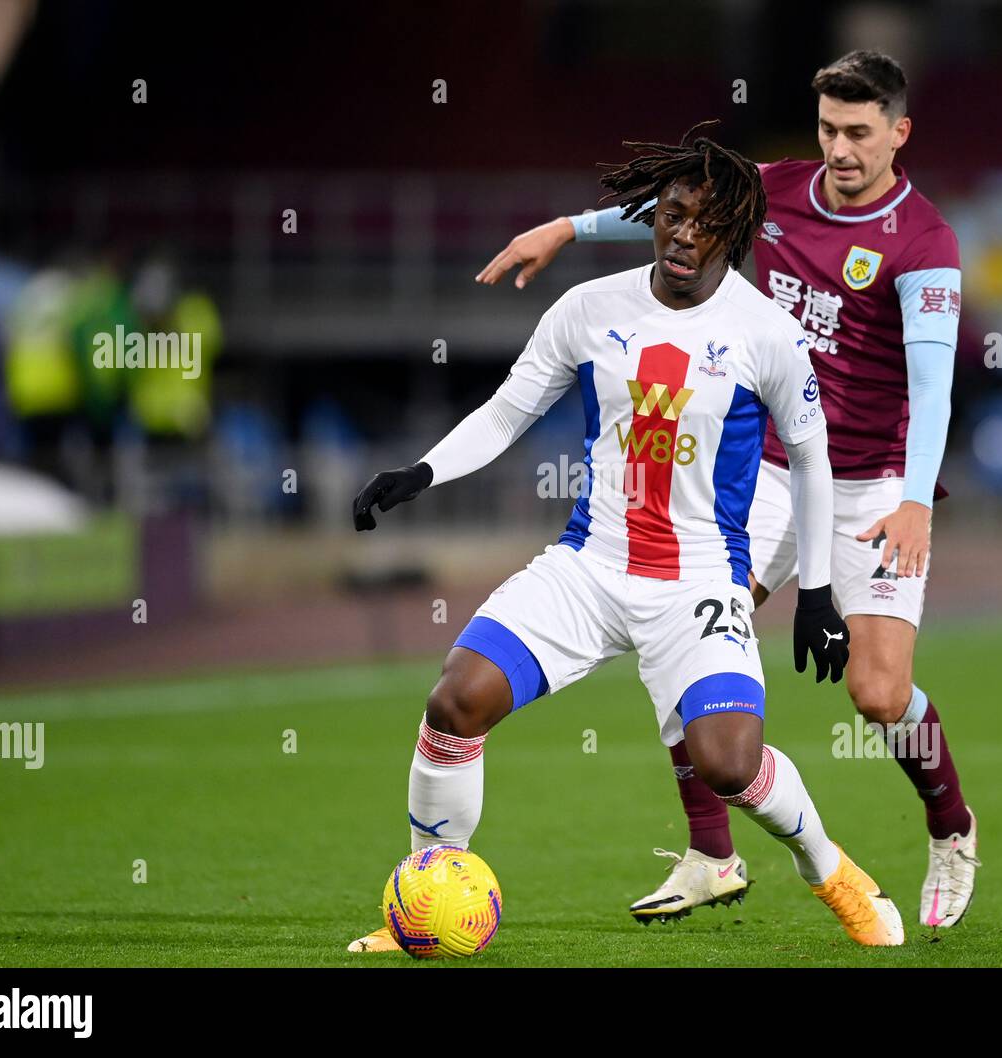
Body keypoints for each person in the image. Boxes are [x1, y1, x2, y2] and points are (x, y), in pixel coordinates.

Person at [349, 125, 905, 952]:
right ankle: (428, 895)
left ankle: (829, 868)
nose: (685, 233)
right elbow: (509, 410)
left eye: (707, 222)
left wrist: (818, 590)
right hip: (589, 564)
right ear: (653, 218)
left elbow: (815, 461)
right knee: (454, 700)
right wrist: (422, 472)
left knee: (727, 761)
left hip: (700, 581)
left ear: (737, 236)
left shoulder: (767, 333)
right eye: (673, 215)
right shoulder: (587, 309)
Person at [476, 50, 978, 929]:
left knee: (878, 695)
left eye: (860, 133)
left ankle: (950, 823)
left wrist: (915, 500)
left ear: (900, 133)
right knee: (680, 619)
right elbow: (675, 219)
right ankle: (714, 852)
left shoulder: (926, 242)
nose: (841, 149)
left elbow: (933, 388)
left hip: (875, 486)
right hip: (771, 474)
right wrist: (566, 227)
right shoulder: (777, 189)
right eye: (828, 128)